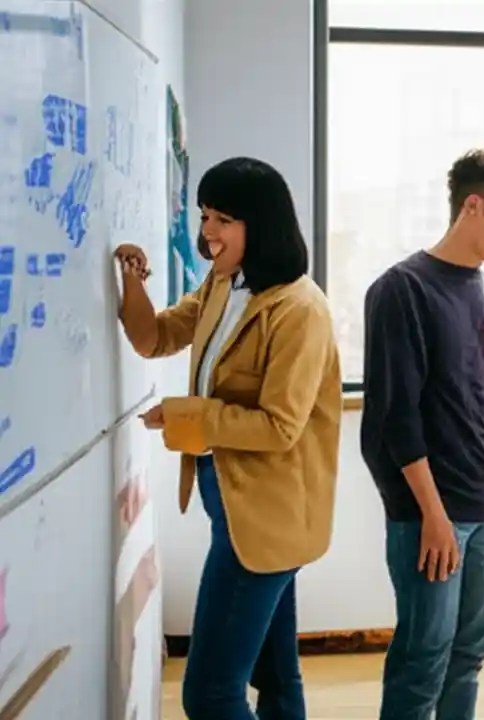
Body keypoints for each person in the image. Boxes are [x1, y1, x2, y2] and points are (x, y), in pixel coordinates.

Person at [114, 156, 341, 720]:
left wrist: (187, 414)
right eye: (206, 215)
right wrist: (132, 282)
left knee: (210, 694)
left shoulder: (299, 310)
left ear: (259, 225)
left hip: (268, 513)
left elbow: (279, 426)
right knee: (276, 678)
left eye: (224, 219)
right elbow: (155, 336)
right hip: (232, 498)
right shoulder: (224, 282)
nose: (208, 231)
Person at [360, 146, 484, 720]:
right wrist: (433, 515)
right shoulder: (401, 290)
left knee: (469, 654)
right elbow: (396, 418)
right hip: (428, 512)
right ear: (474, 206)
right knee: (423, 656)